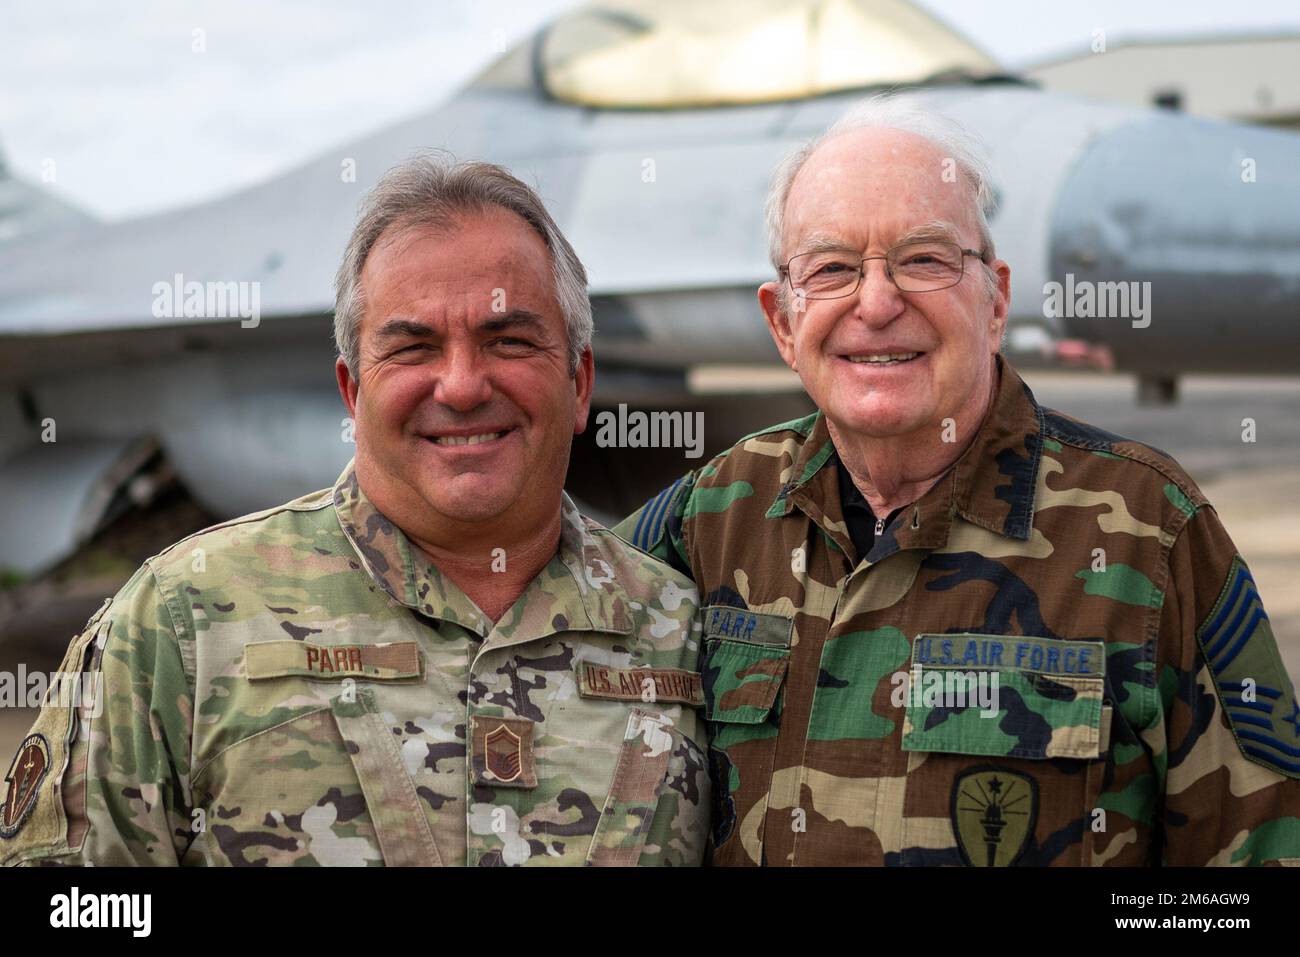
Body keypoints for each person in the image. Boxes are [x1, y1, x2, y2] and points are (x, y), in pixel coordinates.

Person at [615, 95, 1300, 866]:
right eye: (833, 268)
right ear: (782, 322)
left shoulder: (1149, 532)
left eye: (926, 259)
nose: (876, 303)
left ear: (995, 299)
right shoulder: (712, 514)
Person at [1, 154, 709, 867]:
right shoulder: (182, 622)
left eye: (509, 341)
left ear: (579, 381)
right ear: (352, 389)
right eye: (413, 347)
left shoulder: (681, 631)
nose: (462, 385)